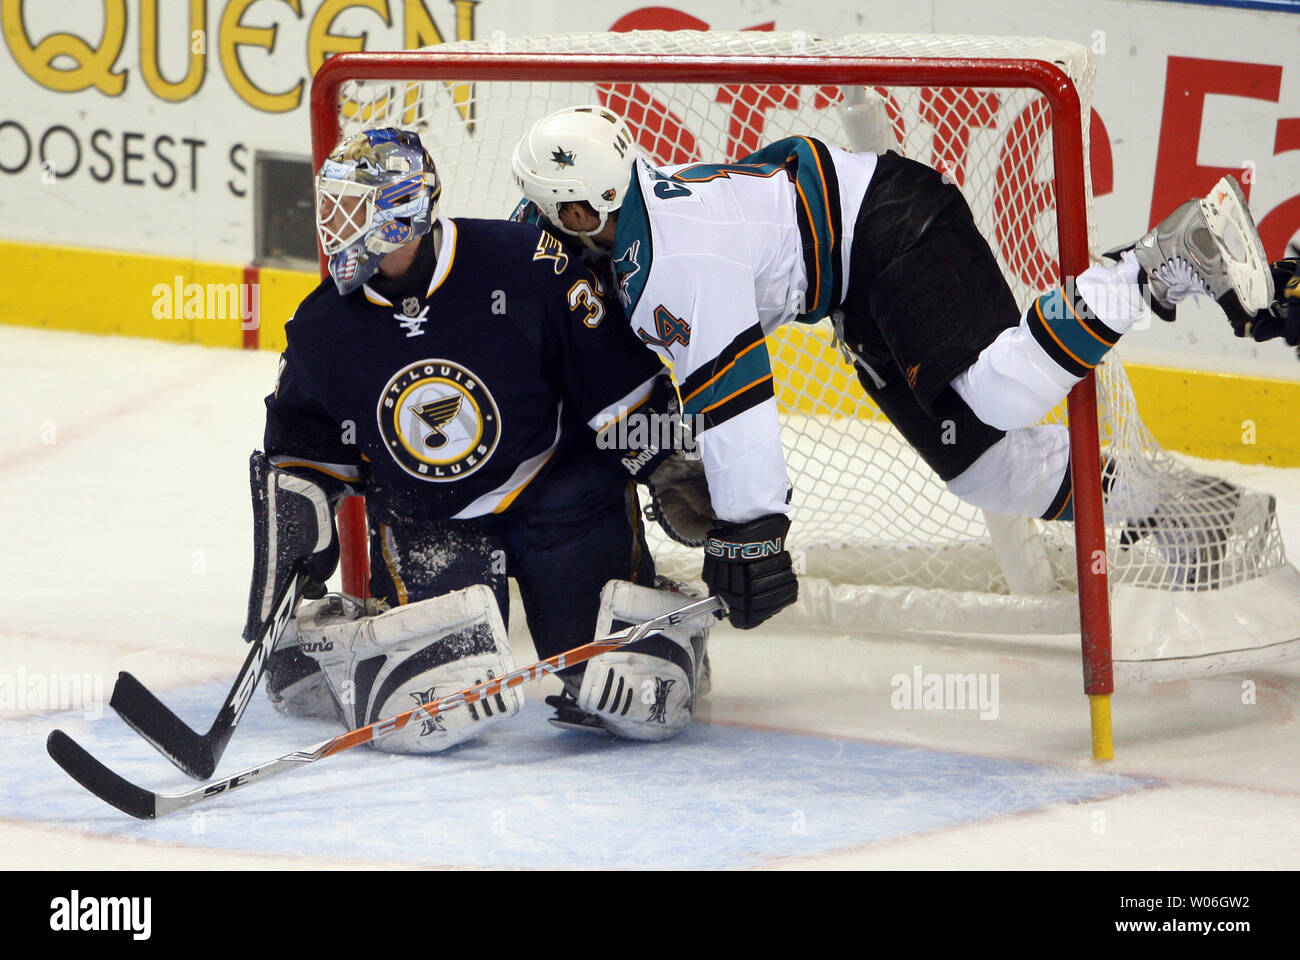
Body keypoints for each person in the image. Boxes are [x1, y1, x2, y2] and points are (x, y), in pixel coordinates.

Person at [511, 104, 1299, 627]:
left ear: (581, 209)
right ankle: (1192, 506)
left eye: (547, 209)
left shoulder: (671, 260)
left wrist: (753, 529)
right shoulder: (634, 221)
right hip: (856, 283)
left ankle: (1162, 262)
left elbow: (736, 394)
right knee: (986, 472)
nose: (537, 225)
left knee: (997, 391)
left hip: (890, 227)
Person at [240, 127, 714, 751]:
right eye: (331, 207)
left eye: (351, 208)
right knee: (436, 699)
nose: (333, 225)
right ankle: (346, 651)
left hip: (561, 493)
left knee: (623, 681)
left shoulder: (524, 261)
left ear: (402, 213)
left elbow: (612, 379)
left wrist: (665, 462)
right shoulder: (323, 326)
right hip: (433, 521)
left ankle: (677, 637)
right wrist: (290, 551)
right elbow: (302, 449)